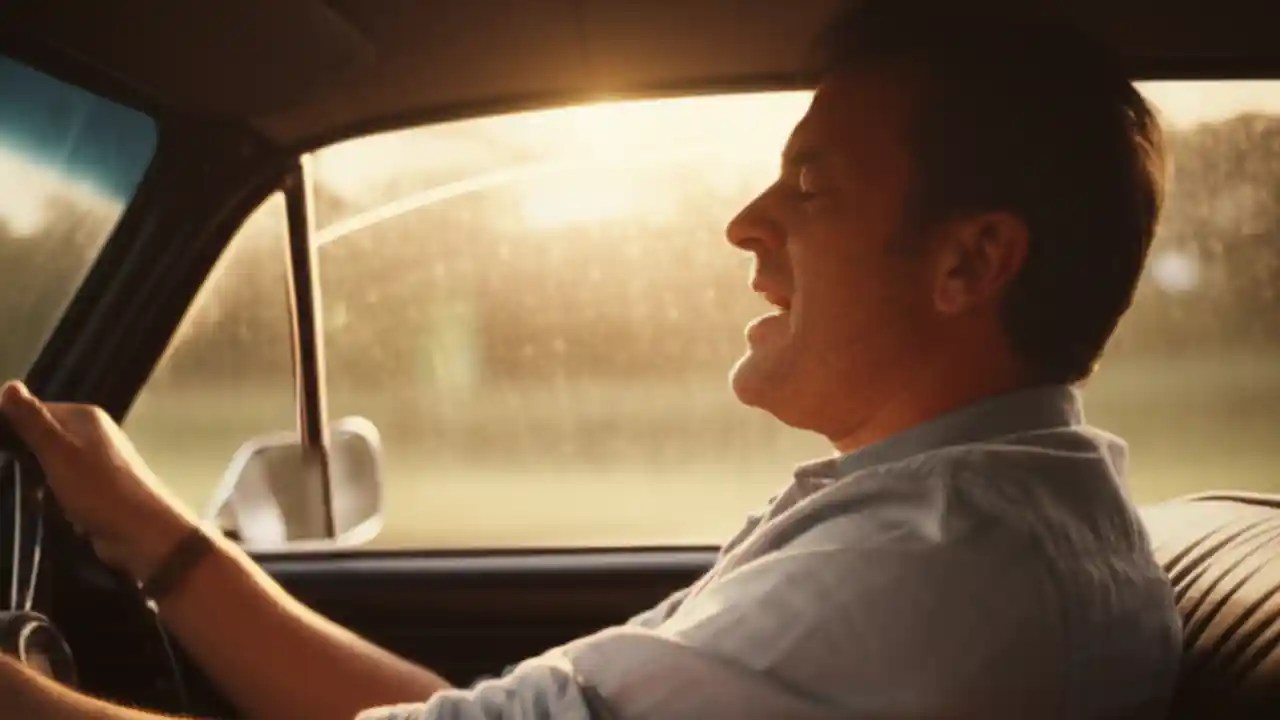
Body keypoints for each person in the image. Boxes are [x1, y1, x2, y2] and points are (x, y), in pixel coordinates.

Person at [0, 2, 1181, 718]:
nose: (745, 223)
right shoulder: (946, 519)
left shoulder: (938, 571)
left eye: (811, 185)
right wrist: (156, 536)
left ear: (970, 264)